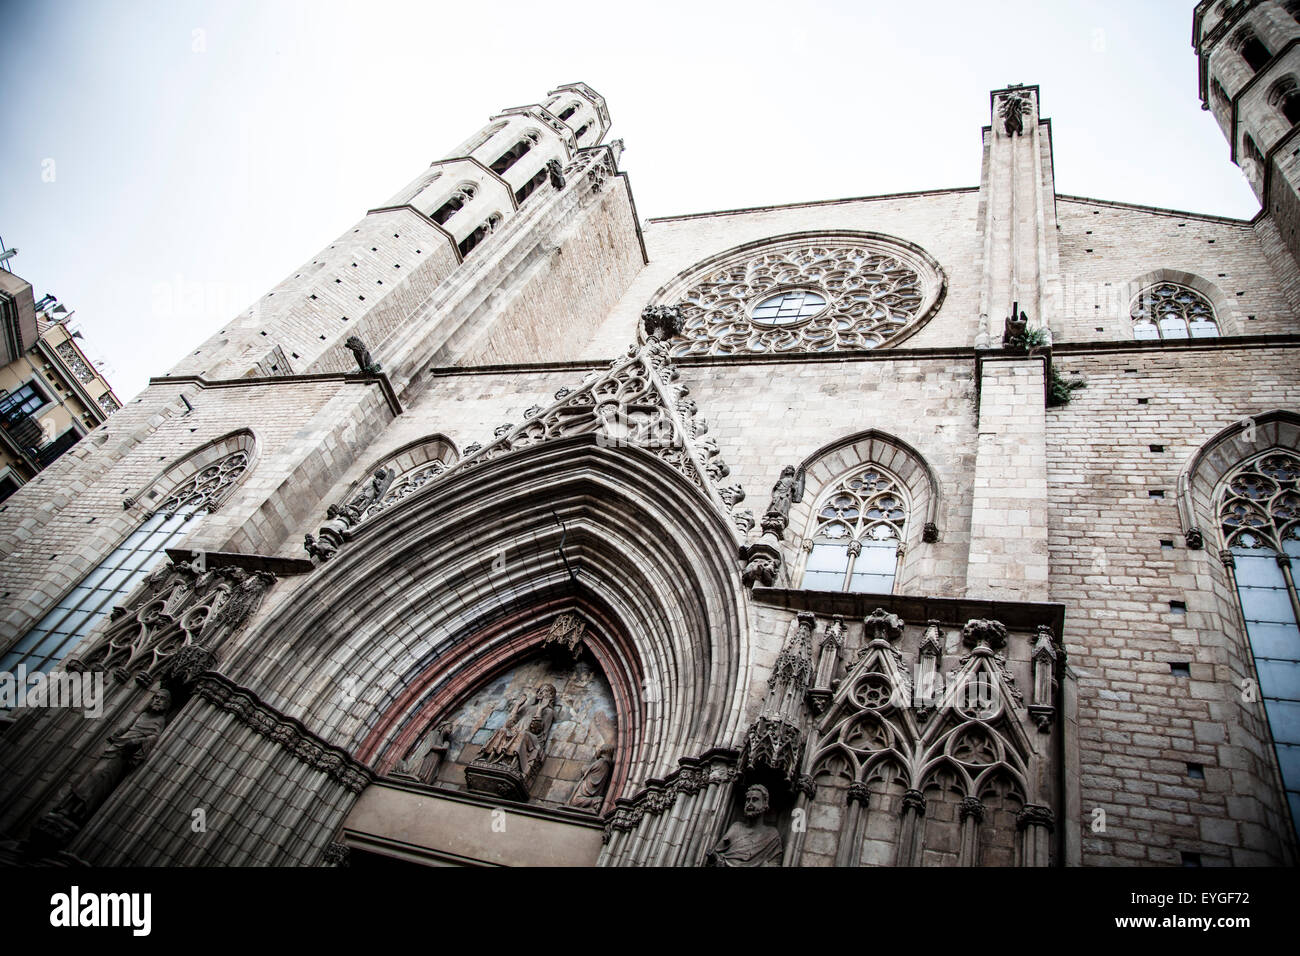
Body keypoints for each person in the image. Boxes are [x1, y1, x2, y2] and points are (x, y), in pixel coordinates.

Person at [706, 784, 783, 867]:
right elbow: (717, 854)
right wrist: (716, 859)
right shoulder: (736, 827)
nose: (749, 804)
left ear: (765, 803)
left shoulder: (771, 835)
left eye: (755, 800)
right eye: (747, 800)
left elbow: (774, 863)